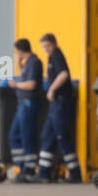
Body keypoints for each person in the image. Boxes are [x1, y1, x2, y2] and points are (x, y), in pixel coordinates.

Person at [35, 33, 79, 183]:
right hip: (55, 105)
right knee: (47, 136)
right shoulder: (51, 57)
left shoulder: (57, 56)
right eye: (43, 47)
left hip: (61, 102)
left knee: (63, 136)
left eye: (47, 46)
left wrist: (52, 89)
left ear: (54, 43)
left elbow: (64, 74)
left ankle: (75, 174)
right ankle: (43, 173)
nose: (45, 49)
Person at [7, 38, 42, 182]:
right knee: (14, 135)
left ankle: (29, 170)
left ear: (20, 50)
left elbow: (31, 84)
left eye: (16, 52)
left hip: (28, 104)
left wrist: (16, 84)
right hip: (22, 104)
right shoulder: (27, 63)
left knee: (27, 136)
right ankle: (22, 167)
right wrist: (18, 64)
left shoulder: (34, 62)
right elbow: (25, 77)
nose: (16, 54)